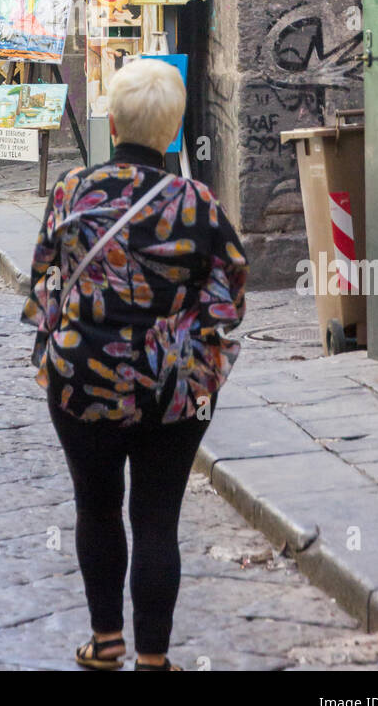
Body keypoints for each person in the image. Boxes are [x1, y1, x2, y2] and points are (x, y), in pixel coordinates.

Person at [22, 58, 247, 672]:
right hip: (174, 390)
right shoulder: (197, 202)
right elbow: (232, 291)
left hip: (82, 381)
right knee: (157, 517)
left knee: (95, 507)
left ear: (112, 121)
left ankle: (107, 640)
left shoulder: (71, 191)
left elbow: (44, 273)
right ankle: (154, 656)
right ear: (173, 132)